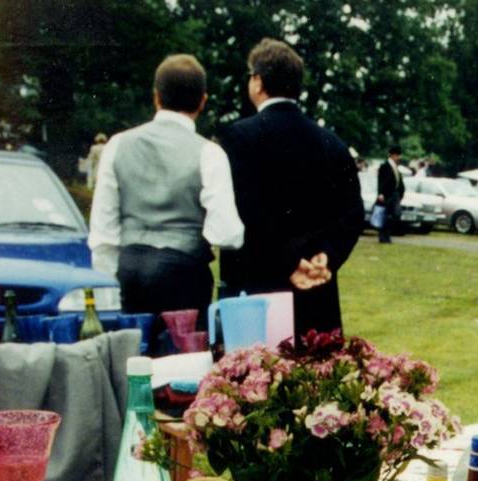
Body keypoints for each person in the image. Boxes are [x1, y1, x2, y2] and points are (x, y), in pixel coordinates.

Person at [87, 55, 244, 346]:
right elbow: (228, 233)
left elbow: (103, 229)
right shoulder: (209, 153)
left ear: (156, 97)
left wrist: (114, 274)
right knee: (184, 370)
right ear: (202, 101)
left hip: (130, 267)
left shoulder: (118, 144)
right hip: (183, 272)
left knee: (132, 361)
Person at [219, 38, 364, 337]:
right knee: (317, 379)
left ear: (257, 82)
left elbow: (243, 213)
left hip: (258, 291)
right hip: (317, 288)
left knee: (254, 380)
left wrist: (288, 262)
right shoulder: (332, 144)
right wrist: (328, 255)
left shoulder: (238, 139)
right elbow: (352, 212)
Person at [377, 145, 405, 243]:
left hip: (395, 194)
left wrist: (401, 192)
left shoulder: (396, 167)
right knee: (386, 215)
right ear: (393, 155)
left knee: (396, 214)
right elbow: (381, 181)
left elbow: (399, 181)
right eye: (398, 155)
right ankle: (383, 236)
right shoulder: (385, 166)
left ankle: (387, 234)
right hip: (387, 194)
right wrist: (380, 193)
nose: (399, 158)